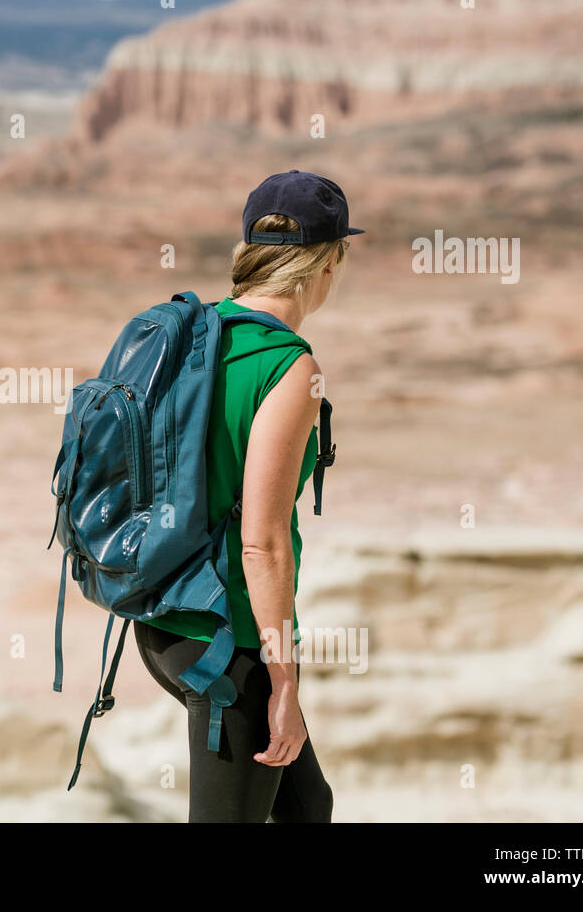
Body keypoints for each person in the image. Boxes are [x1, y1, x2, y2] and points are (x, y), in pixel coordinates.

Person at [135, 170, 362, 822]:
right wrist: (284, 681)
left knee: (307, 807)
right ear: (328, 262)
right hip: (228, 643)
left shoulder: (192, 336)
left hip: (161, 625)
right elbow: (261, 543)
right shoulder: (288, 367)